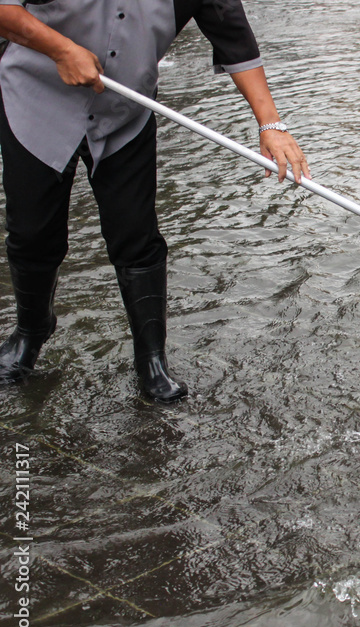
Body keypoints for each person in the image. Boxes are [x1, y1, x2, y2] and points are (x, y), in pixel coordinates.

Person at [0, 0, 309, 402]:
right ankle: (30, 332)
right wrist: (61, 49)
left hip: (127, 111)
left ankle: (152, 359)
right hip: (35, 99)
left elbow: (233, 34)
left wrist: (271, 125)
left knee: (136, 234)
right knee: (32, 231)